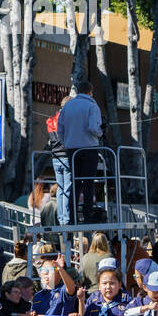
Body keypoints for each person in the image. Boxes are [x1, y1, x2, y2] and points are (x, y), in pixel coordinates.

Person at [57, 80, 105, 224]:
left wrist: (67, 143)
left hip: (72, 149)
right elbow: (92, 127)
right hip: (89, 148)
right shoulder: (92, 106)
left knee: (75, 183)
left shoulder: (68, 106)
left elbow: (60, 130)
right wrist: (101, 132)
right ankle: (88, 216)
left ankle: (72, 217)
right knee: (88, 183)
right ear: (90, 91)